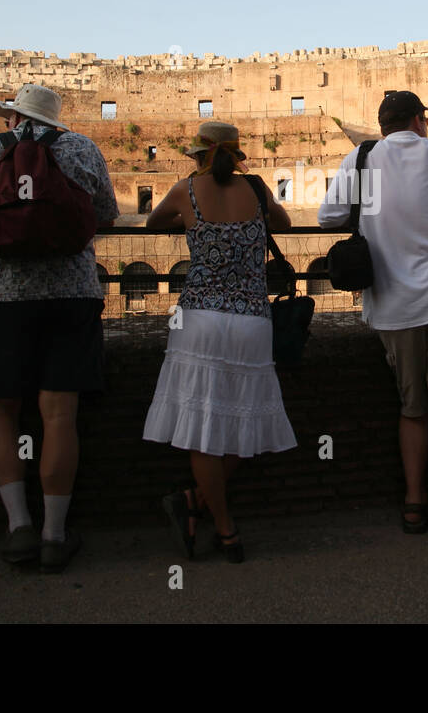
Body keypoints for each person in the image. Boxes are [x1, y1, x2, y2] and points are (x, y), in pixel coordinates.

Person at [0, 84, 118, 572]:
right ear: (54, 119)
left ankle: (18, 525)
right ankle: (54, 534)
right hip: (70, 293)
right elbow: (105, 213)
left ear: (13, 118)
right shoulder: (82, 148)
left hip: (2, 297)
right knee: (59, 414)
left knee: (1, 411)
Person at [319, 91, 428, 547]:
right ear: (417, 120)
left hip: (395, 303)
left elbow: (327, 216)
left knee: (413, 409)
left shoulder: (363, 157)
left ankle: (414, 502)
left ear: (382, 125)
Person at [142, 122, 296, 563]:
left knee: (203, 425)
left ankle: (221, 524)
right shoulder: (257, 187)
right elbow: (281, 222)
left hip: (200, 318)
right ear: (236, 154)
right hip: (251, 319)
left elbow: (155, 222)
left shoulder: (186, 189)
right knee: (241, 417)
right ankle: (199, 503)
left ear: (198, 156)